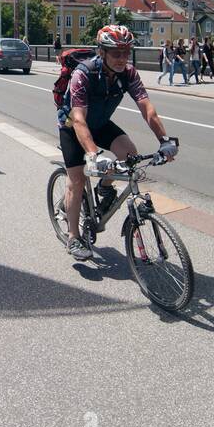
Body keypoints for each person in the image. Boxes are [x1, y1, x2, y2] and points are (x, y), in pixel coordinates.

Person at [58, 26, 178, 262]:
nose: (123, 59)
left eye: (126, 52)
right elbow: (79, 119)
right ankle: (73, 236)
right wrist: (93, 155)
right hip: (73, 126)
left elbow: (148, 109)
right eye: (116, 53)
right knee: (77, 179)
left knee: (130, 154)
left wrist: (164, 141)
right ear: (102, 52)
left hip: (101, 124)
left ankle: (104, 187)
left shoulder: (129, 73)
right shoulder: (83, 74)